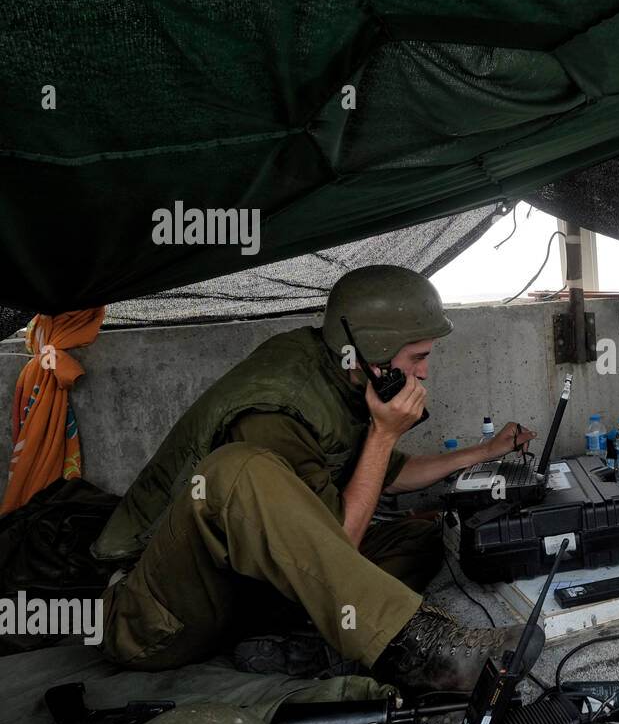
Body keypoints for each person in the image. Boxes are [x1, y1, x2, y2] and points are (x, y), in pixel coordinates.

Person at [92, 265, 543, 691]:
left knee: (425, 538)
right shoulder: (274, 411)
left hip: (245, 594)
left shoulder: (337, 372)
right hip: (159, 618)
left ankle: (299, 647)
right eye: (418, 357)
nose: (424, 371)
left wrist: (484, 453)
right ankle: (420, 650)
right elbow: (336, 544)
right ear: (374, 353)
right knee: (236, 469)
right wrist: (383, 434)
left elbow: (387, 474)